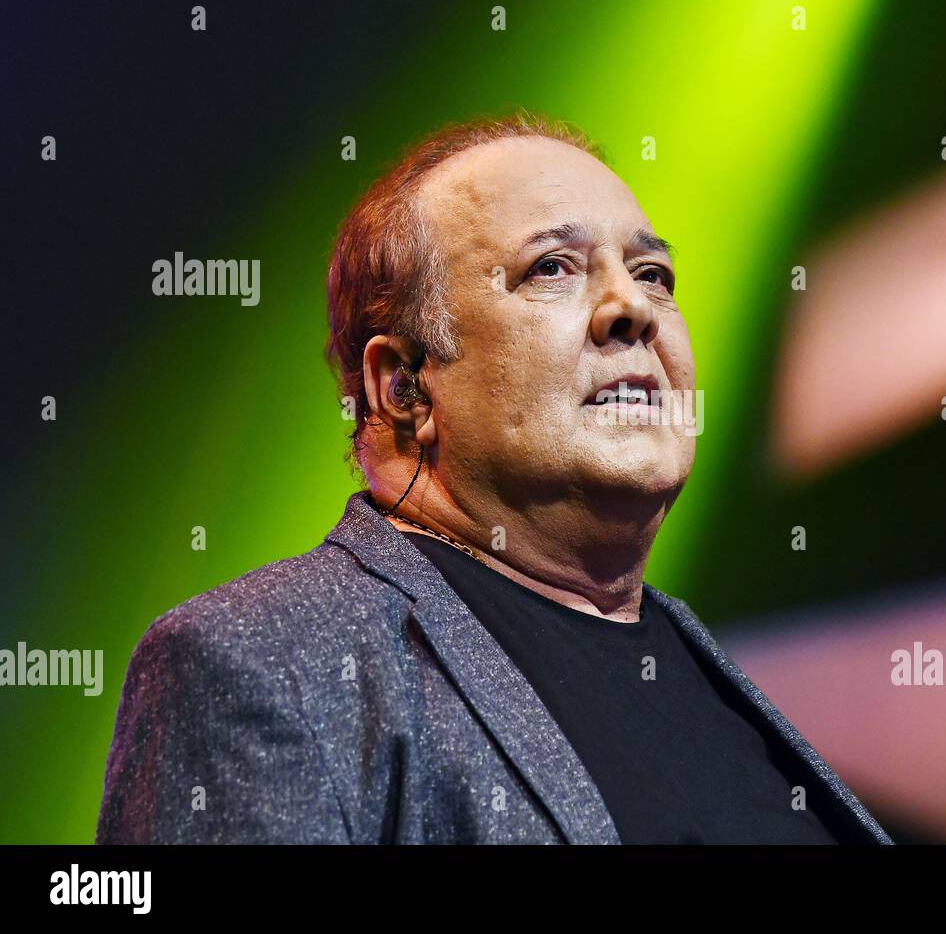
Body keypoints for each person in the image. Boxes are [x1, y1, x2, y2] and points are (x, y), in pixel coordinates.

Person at [96, 110, 893, 845]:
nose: (634, 308)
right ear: (403, 386)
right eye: (552, 268)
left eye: (653, 274)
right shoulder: (263, 660)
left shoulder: (705, 677)